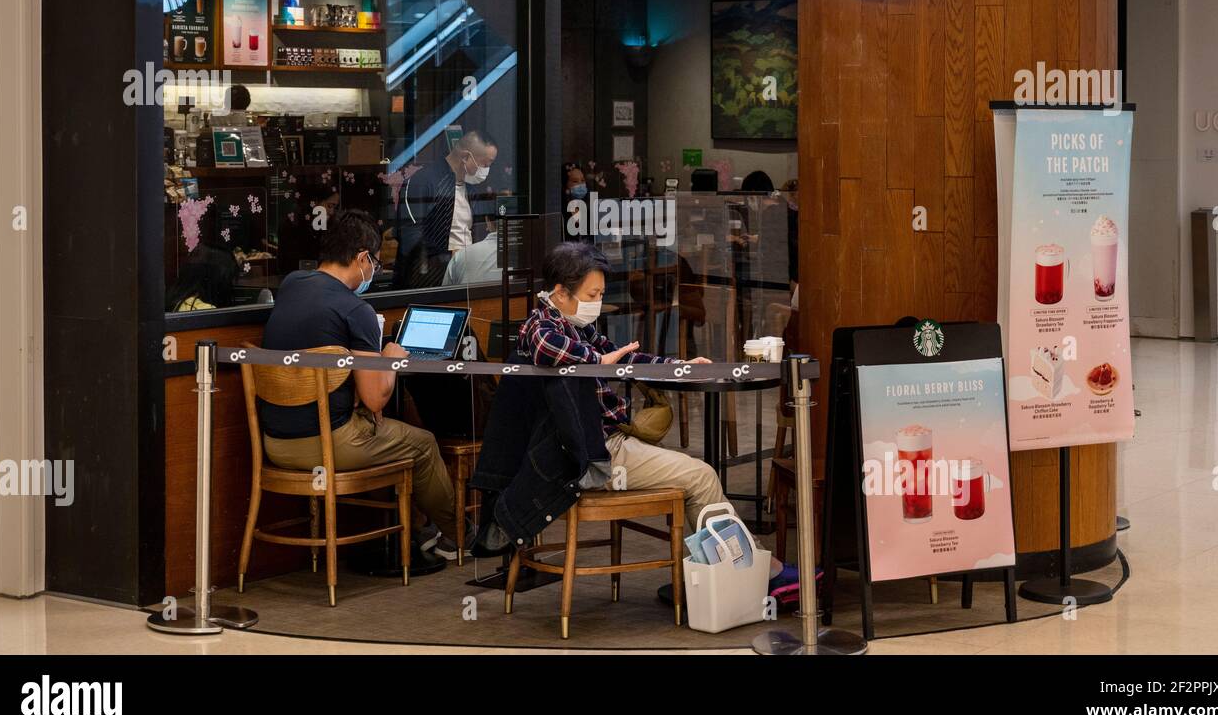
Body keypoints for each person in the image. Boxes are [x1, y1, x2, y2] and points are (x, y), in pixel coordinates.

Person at [477, 242, 807, 600]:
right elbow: (553, 349)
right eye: (592, 295)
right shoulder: (540, 328)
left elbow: (622, 357)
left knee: (696, 479)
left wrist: (678, 367)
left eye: (601, 294)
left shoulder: (574, 325)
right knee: (701, 476)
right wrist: (599, 361)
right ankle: (756, 573)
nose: (597, 302)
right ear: (559, 293)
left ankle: (719, 580)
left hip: (602, 442)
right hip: (592, 454)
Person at [259, 209, 473, 565]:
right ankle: (459, 536)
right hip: (329, 444)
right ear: (361, 258)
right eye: (375, 262)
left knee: (387, 433)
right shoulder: (355, 310)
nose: (375, 270)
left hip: (275, 442)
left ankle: (421, 530)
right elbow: (375, 399)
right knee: (423, 444)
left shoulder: (292, 285)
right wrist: (391, 358)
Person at [393, 130, 498, 289]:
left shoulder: (473, 189)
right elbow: (409, 236)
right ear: (465, 157)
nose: (486, 170)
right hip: (426, 279)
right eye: (485, 164)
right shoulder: (422, 181)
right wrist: (451, 257)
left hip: (468, 274)